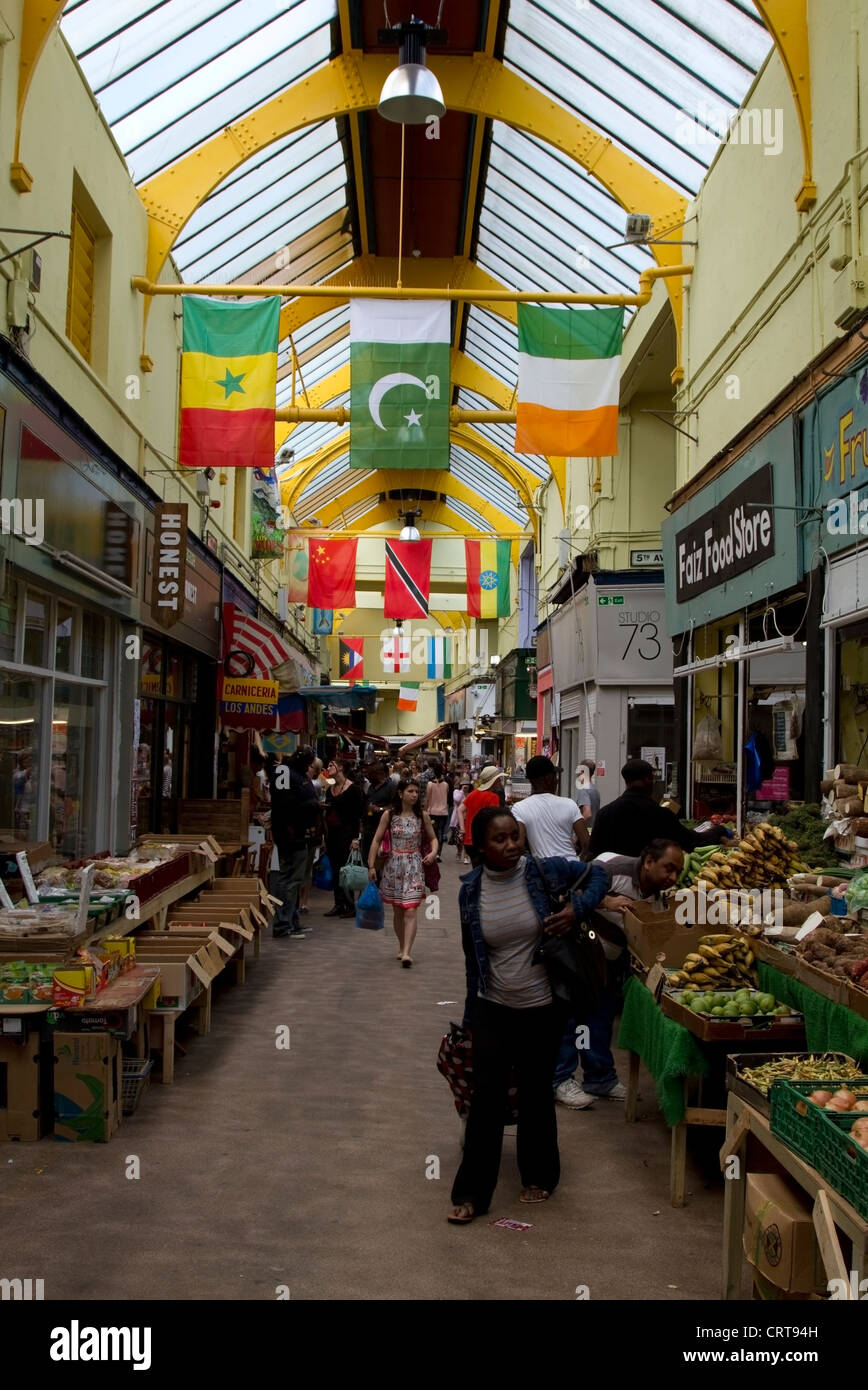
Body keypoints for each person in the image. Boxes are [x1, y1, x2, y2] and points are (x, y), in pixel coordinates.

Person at [448, 806, 610, 1224]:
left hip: (543, 1005)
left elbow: (598, 875)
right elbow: (473, 960)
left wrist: (577, 909)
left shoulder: (542, 872)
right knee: (487, 1097)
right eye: (499, 840)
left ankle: (539, 1176)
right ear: (481, 847)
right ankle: (471, 1193)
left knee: (537, 1092)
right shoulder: (471, 891)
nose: (511, 846)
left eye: (515, 837)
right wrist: (469, 1017)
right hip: (492, 1006)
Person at [553, 838, 686, 1110]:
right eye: (668, 869)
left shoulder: (660, 895)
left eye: (677, 873)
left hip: (611, 961)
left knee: (598, 1017)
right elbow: (567, 892)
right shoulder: (611, 869)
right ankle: (560, 1078)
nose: (672, 877)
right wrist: (605, 901)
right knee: (570, 1018)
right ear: (648, 862)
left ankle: (599, 1077)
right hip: (579, 951)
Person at [588, 759, 733, 859]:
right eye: (652, 779)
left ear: (627, 781)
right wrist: (719, 830)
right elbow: (691, 842)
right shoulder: (660, 815)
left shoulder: (605, 813)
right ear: (647, 780)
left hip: (613, 887)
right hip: (647, 887)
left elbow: (593, 853)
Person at [367, 779, 438, 968]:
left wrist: (433, 853)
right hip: (393, 866)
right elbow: (376, 840)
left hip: (414, 866)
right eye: (410, 791)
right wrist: (371, 865)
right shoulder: (389, 816)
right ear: (401, 793)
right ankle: (401, 946)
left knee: (411, 909)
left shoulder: (422, 816)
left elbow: (433, 839)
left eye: (416, 791)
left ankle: (407, 952)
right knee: (398, 910)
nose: (414, 795)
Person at [263, 744, 321, 938]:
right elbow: (284, 805)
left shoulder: (294, 773)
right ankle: (282, 924)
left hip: (297, 834)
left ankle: (291, 921)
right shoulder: (285, 772)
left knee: (294, 879)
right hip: (290, 835)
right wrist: (312, 805)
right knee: (288, 878)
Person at [511, 755, 585, 860]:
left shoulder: (519, 808)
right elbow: (586, 843)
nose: (557, 781)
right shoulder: (569, 804)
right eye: (555, 777)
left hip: (542, 871)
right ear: (548, 779)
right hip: (573, 868)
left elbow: (519, 846)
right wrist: (579, 863)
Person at [323, 760, 365, 918]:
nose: (328, 768)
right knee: (335, 869)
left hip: (347, 835)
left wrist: (356, 839)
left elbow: (358, 817)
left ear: (340, 768)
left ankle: (349, 905)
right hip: (332, 835)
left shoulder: (354, 790)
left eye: (330, 765)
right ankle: (338, 903)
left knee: (346, 870)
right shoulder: (330, 789)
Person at [462, 766, 505, 862]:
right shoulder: (493, 797)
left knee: (476, 869)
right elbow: (495, 820)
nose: (500, 782)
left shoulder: (473, 794)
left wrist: (462, 829)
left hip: (469, 840)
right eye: (498, 779)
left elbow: (460, 810)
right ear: (493, 781)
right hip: (484, 841)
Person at [298, 757, 324, 916]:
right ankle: (303, 901)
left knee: (305, 869)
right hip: (310, 832)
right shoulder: (308, 784)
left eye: (312, 767)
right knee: (305, 869)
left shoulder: (314, 785)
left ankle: (302, 901)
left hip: (309, 832)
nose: (310, 769)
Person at [359, 760, 395, 870]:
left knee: (380, 860)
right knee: (367, 858)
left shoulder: (391, 786)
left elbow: (395, 806)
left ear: (379, 773)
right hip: (368, 828)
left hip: (382, 830)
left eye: (370, 774)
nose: (368, 777)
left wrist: (379, 809)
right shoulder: (371, 787)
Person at [423, 762, 451, 858]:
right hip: (443, 812)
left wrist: (425, 810)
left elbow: (427, 799)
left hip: (432, 812)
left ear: (433, 772)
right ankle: (438, 853)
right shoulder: (446, 785)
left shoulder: (430, 784)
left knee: (433, 833)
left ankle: (433, 851)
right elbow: (446, 796)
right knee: (441, 832)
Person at [450, 777, 471, 865]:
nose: (465, 787)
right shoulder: (457, 792)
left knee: (466, 839)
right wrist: (462, 791)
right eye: (463, 785)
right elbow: (457, 800)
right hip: (458, 820)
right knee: (459, 840)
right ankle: (459, 852)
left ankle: (466, 856)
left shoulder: (471, 794)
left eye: (467, 785)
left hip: (468, 819)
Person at [574, 759, 600, 826]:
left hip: (586, 832)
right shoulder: (594, 789)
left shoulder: (584, 790)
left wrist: (578, 831)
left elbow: (587, 814)